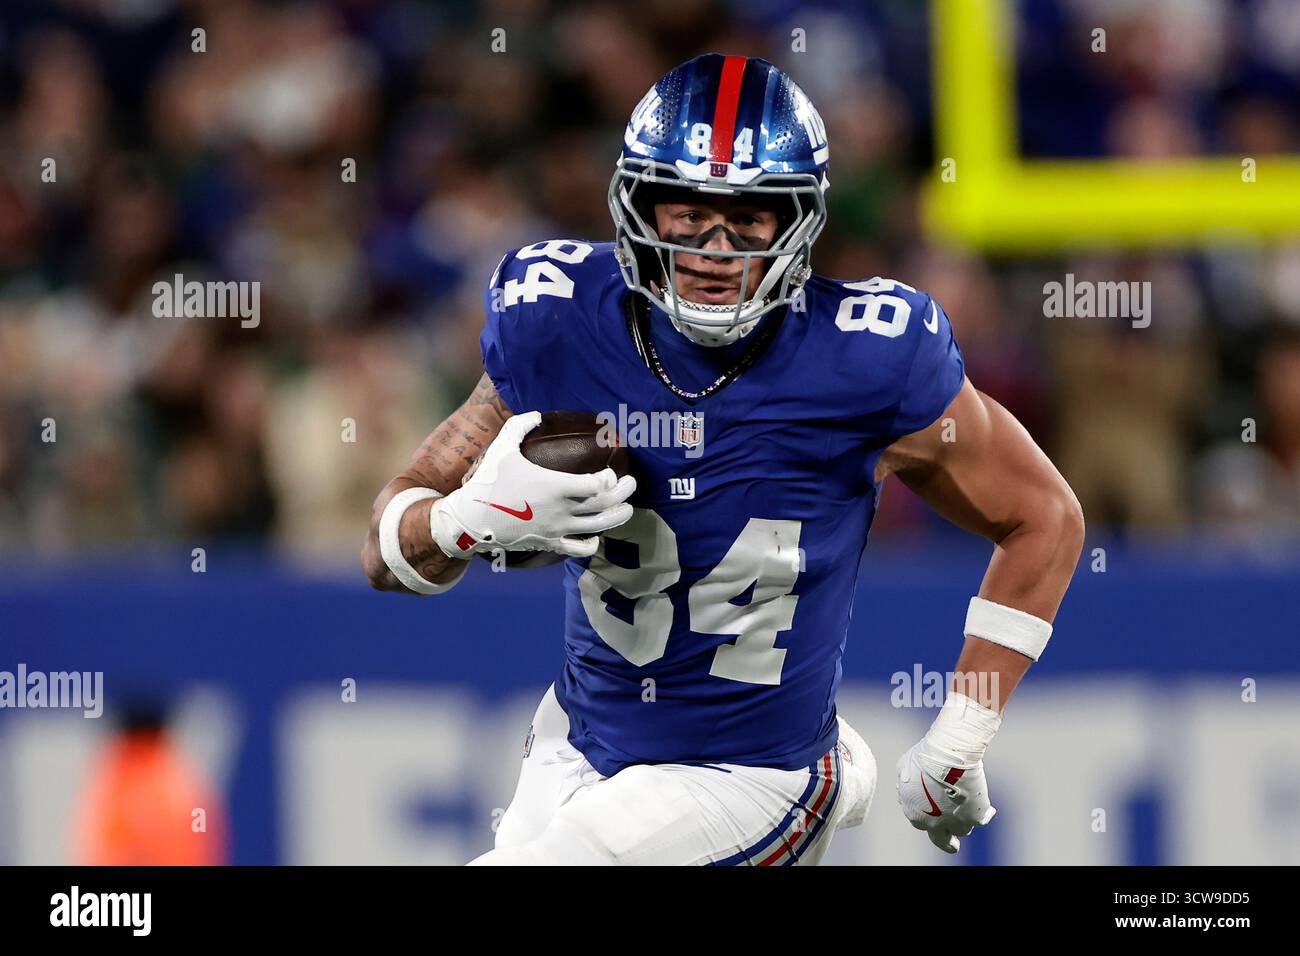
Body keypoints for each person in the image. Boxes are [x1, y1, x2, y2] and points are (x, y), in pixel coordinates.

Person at [361, 54, 1084, 865]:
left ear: (799, 221)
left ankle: (828, 772)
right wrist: (461, 524)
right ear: (638, 204)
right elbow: (387, 546)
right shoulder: (557, 320)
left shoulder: (870, 361)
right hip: (578, 740)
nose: (714, 246)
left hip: (748, 777)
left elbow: (1043, 517)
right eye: (686, 209)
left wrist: (963, 732)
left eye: (750, 214)